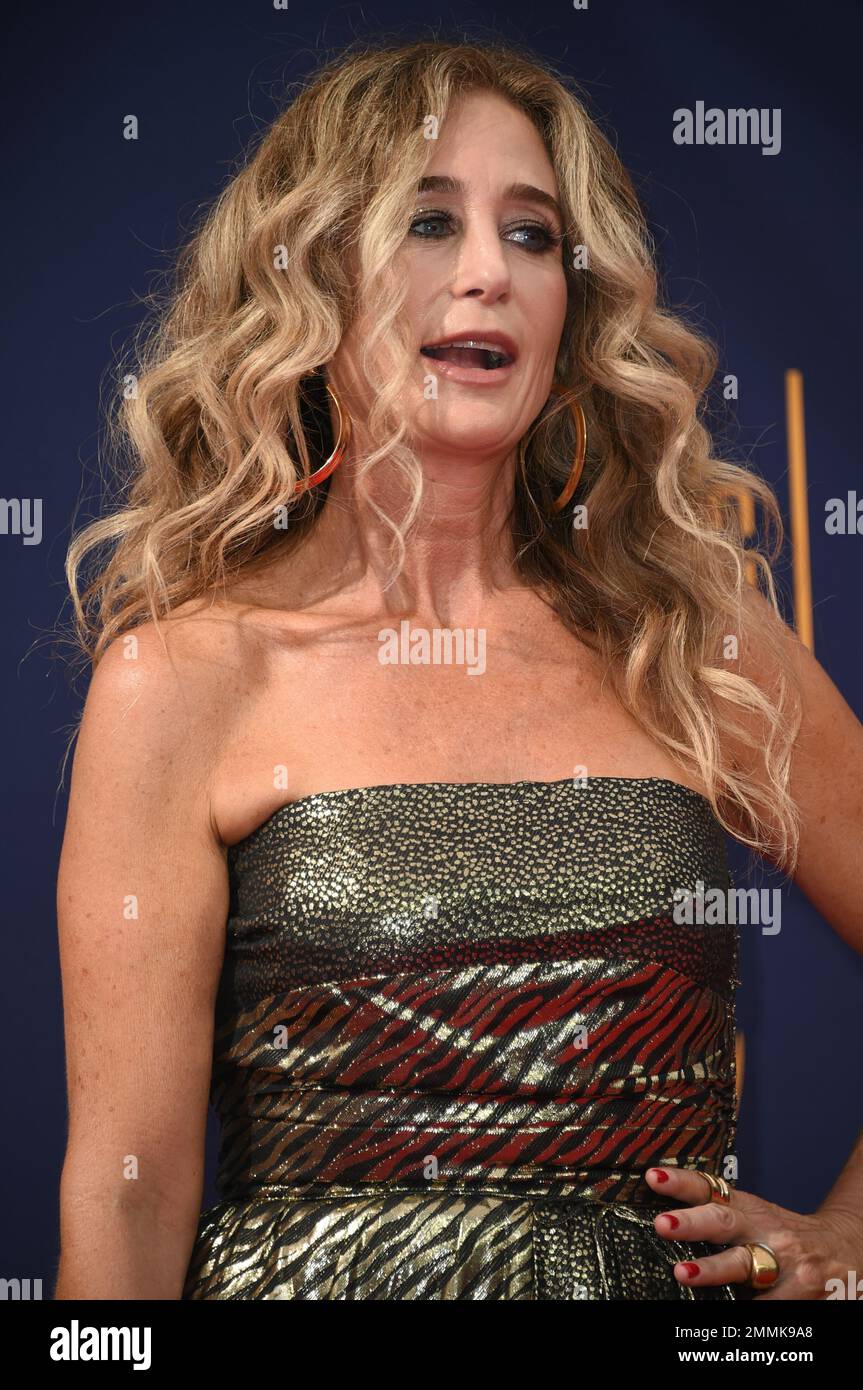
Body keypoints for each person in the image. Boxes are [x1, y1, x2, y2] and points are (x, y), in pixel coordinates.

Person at [54, 38, 863, 1301]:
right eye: (429, 221)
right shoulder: (184, 679)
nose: (487, 272)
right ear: (310, 277)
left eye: (532, 236)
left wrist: (852, 1241)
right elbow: (129, 1193)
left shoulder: (684, 635)